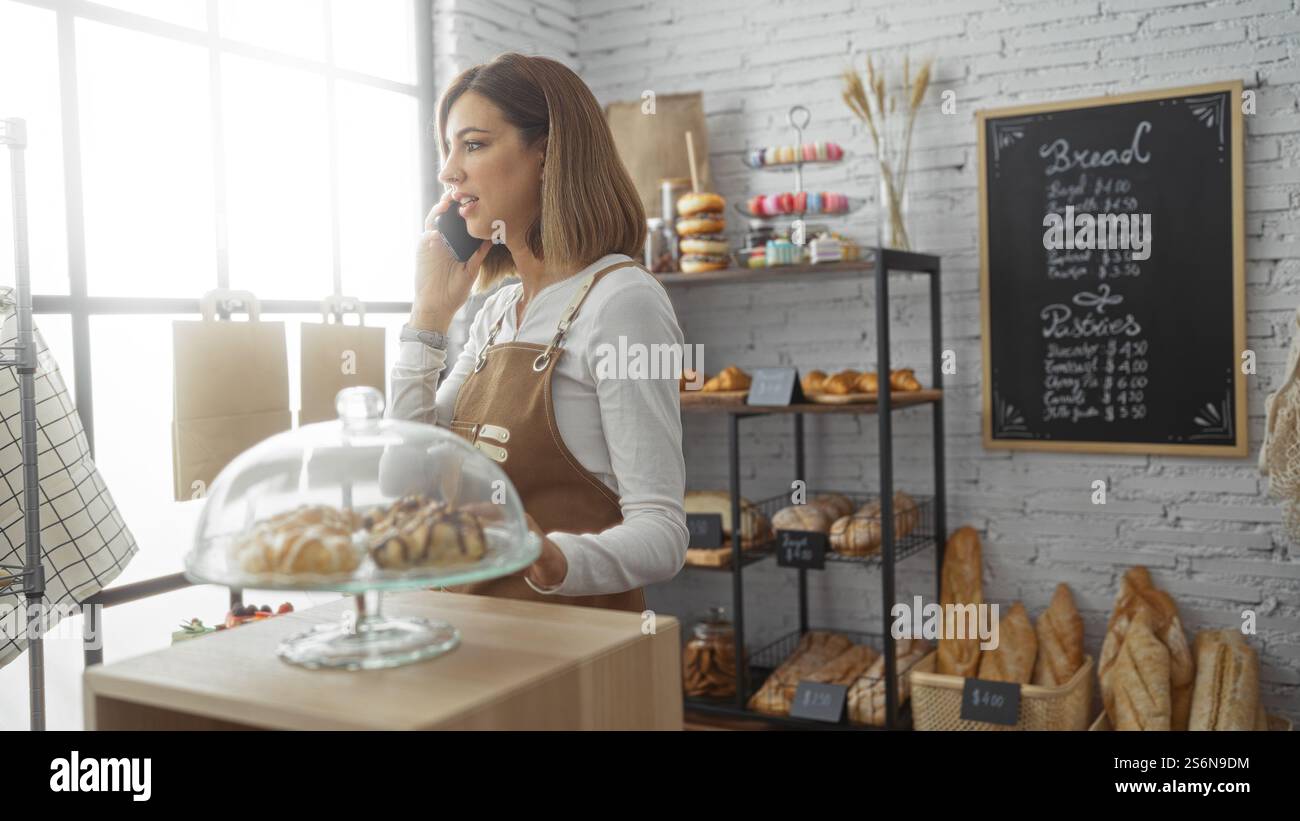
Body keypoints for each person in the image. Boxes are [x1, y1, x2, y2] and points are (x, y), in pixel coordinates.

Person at [388, 53, 688, 613]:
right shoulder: (497, 311)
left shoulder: (623, 301)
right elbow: (404, 486)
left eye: (473, 145)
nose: (448, 172)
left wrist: (550, 558)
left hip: (571, 659)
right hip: (477, 641)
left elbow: (663, 533)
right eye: (447, 149)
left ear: (547, 155)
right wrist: (428, 317)